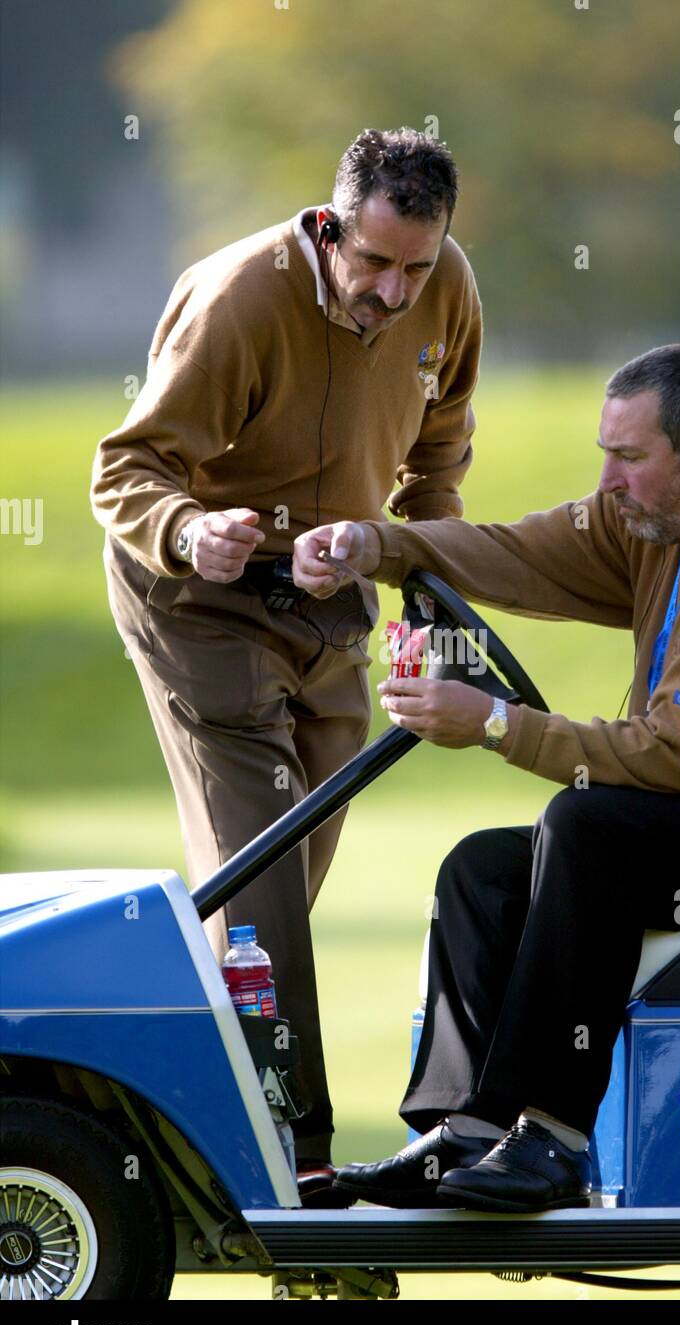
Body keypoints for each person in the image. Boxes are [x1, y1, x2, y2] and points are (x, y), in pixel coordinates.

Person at [291, 343, 680, 1212]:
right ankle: (466, 1134)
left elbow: (677, 756)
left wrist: (492, 723)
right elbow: (522, 553)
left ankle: (552, 1139)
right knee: (482, 872)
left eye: (628, 456)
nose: (608, 478)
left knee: (587, 831)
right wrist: (380, 545)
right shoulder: (662, 521)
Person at [90, 127, 483, 1206]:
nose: (395, 289)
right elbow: (124, 470)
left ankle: (163, 1085)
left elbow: (438, 449)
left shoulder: (444, 286)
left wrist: (423, 575)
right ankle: (289, 1164)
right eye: (373, 262)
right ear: (329, 226)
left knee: (280, 883)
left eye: (416, 265)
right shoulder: (236, 299)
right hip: (200, 600)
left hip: (330, 598)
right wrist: (185, 529)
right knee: (262, 873)